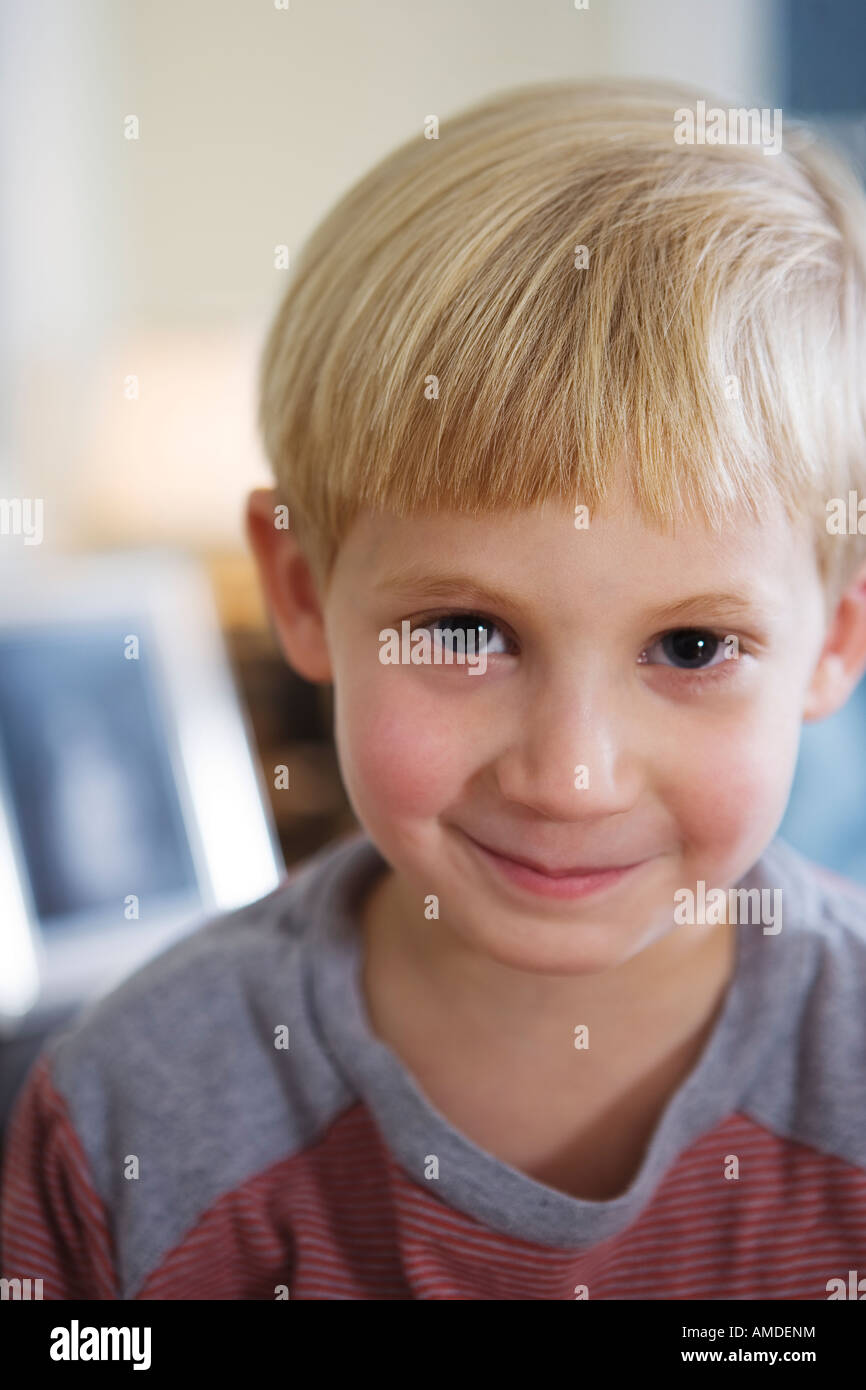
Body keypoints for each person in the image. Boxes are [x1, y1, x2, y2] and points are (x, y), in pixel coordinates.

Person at [4, 77, 866, 1300]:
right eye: (465, 630)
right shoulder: (127, 1111)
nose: (569, 776)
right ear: (302, 591)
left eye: (688, 647)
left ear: (833, 642)